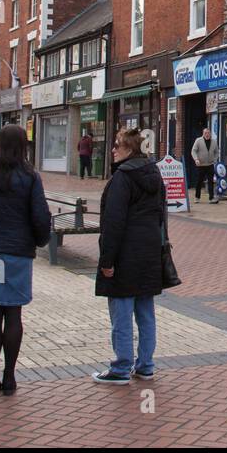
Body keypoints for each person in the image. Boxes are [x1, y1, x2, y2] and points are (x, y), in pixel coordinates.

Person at [0, 124, 51, 396]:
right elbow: (40, 215)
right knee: (14, 313)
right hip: (18, 252)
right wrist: (41, 240)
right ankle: (9, 377)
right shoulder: (30, 176)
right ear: (23, 146)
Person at [93, 129, 166, 385]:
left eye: (117, 146)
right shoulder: (154, 173)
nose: (113, 150)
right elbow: (161, 215)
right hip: (149, 252)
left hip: (125, 254)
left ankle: (121, 367)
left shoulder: (122, 178)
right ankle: (145, 365)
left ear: (129, 150)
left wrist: (107, 261)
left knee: (122, 312)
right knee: (145, 311)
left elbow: (114, 223)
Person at [191, 126, 219, 204]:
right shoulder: (198, 141)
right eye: (205, 133)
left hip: (210, 165)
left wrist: (215, 159)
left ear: (210, 134)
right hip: (201, 165)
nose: (207, 134)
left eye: (208, 133)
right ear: (203, 134)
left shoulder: (214, 142)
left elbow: (217, 152)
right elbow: (193, 151)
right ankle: (197, 197)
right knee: (199, 182)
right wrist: (196, 159)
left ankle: (211, 198)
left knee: (211, 182)